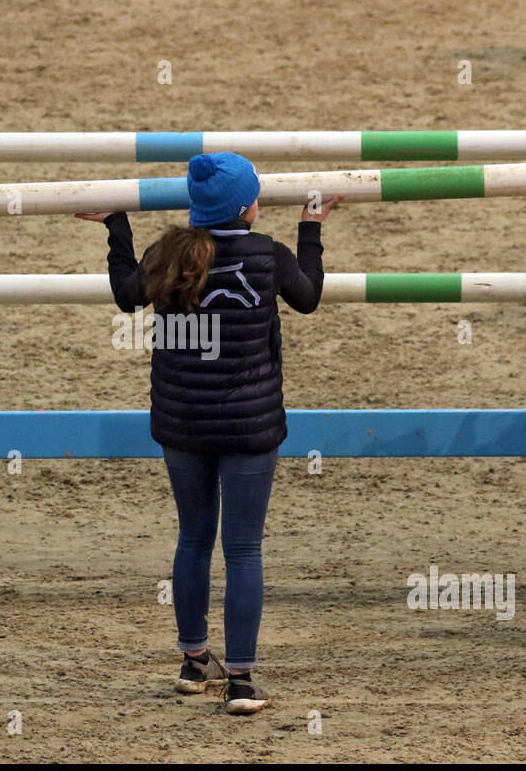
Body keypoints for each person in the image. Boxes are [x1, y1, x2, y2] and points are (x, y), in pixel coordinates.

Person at [76, 152, 341, 714]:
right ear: (246, 207)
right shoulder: (266, 256)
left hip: (182, 425)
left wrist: (117, 226)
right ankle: (242, 680)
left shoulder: (166, 253)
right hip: (250, 424)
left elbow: (126, 294)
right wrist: (311, 229)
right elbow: (310, 298)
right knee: (243, 548)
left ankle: (194, 662)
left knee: (194, 539)